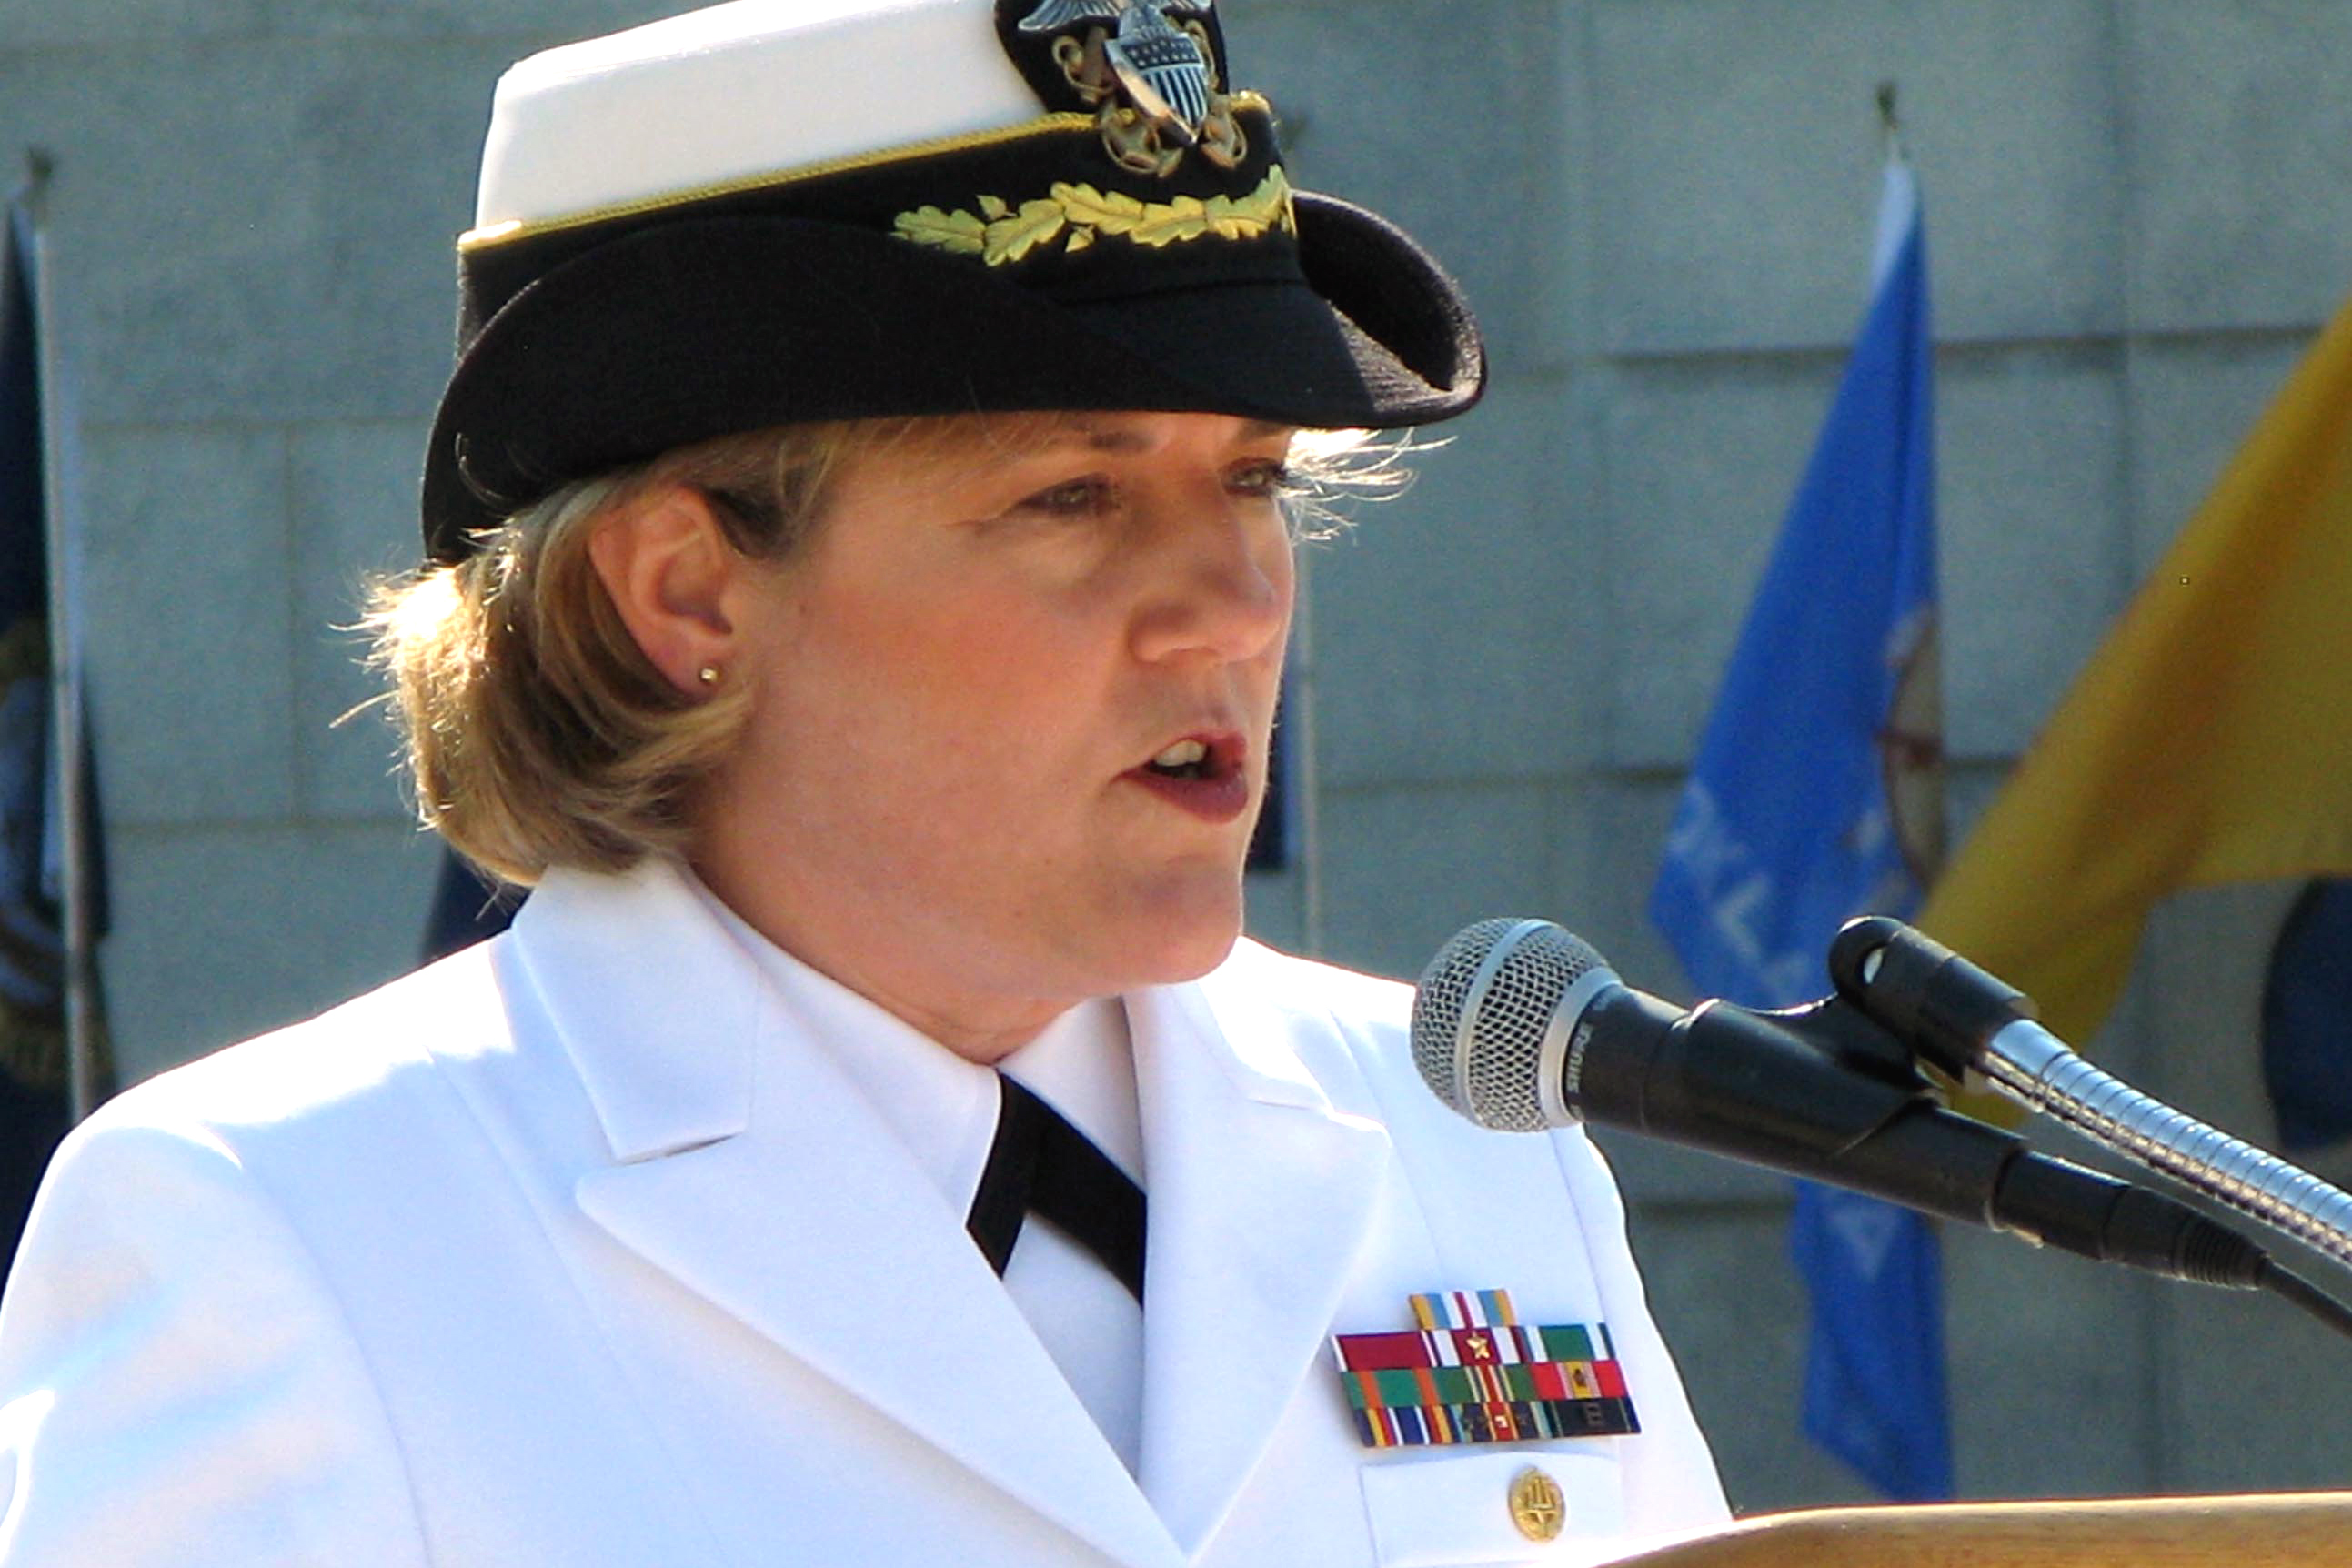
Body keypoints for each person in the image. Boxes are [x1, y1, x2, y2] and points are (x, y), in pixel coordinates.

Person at [0, 2, 1728, 1563]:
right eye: (1071, 495)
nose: (1236, 602)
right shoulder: (285, 1228)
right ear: (684, 593)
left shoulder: (1465, 1132)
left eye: (1257, 481)